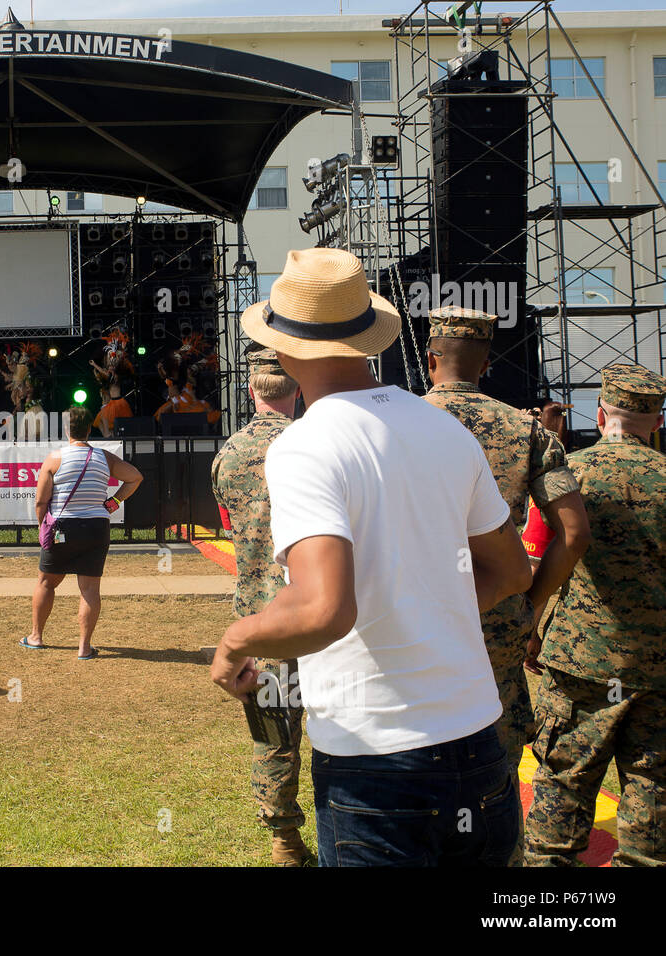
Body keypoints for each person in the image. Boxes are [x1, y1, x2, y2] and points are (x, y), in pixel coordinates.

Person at [210, 248, 532, 867]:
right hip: (480, 743)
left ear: (279, 350)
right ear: (367, 340)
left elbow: (324, 610)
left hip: (376, 758)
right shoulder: (445, 430)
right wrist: (424, 602)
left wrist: (235, 640)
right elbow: (512, 571)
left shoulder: (304, 446)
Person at [421, 306, 590, 865]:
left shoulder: (397, 422)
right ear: (487, 363)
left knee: (412, 751)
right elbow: (573, 530)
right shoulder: (527, 430)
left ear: (430, 359)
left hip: (412, 618)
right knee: (493, 762)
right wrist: (532, 605)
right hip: (496, 624)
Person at [525, 363, 666, 867]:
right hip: (657, 668)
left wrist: (531, 622)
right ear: (656, 421)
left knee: (564, 780)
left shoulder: (571, 474)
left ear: (602, 413)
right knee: (654, 788)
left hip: (579, 661)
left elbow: (539, 554)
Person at [209, 345, 308, 865]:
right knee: (343, 721)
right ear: (297, 389)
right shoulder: (318, 443)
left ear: (251, 389)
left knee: (273, 727)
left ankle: (283, 840)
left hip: (261, 616)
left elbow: (234, 531)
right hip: (327, 609)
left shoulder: (230, 453)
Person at [23, 405, 143, 659]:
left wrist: (41, 526)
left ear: (66, 429)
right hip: (96, 527)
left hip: (62, 528)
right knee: (89, 589)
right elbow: (135, 477)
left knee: (46, 582)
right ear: (90, 429)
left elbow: (40, 502)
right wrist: (113, 503)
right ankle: (84, 647)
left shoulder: (54, 459)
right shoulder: (104, 457)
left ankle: (36, 637)